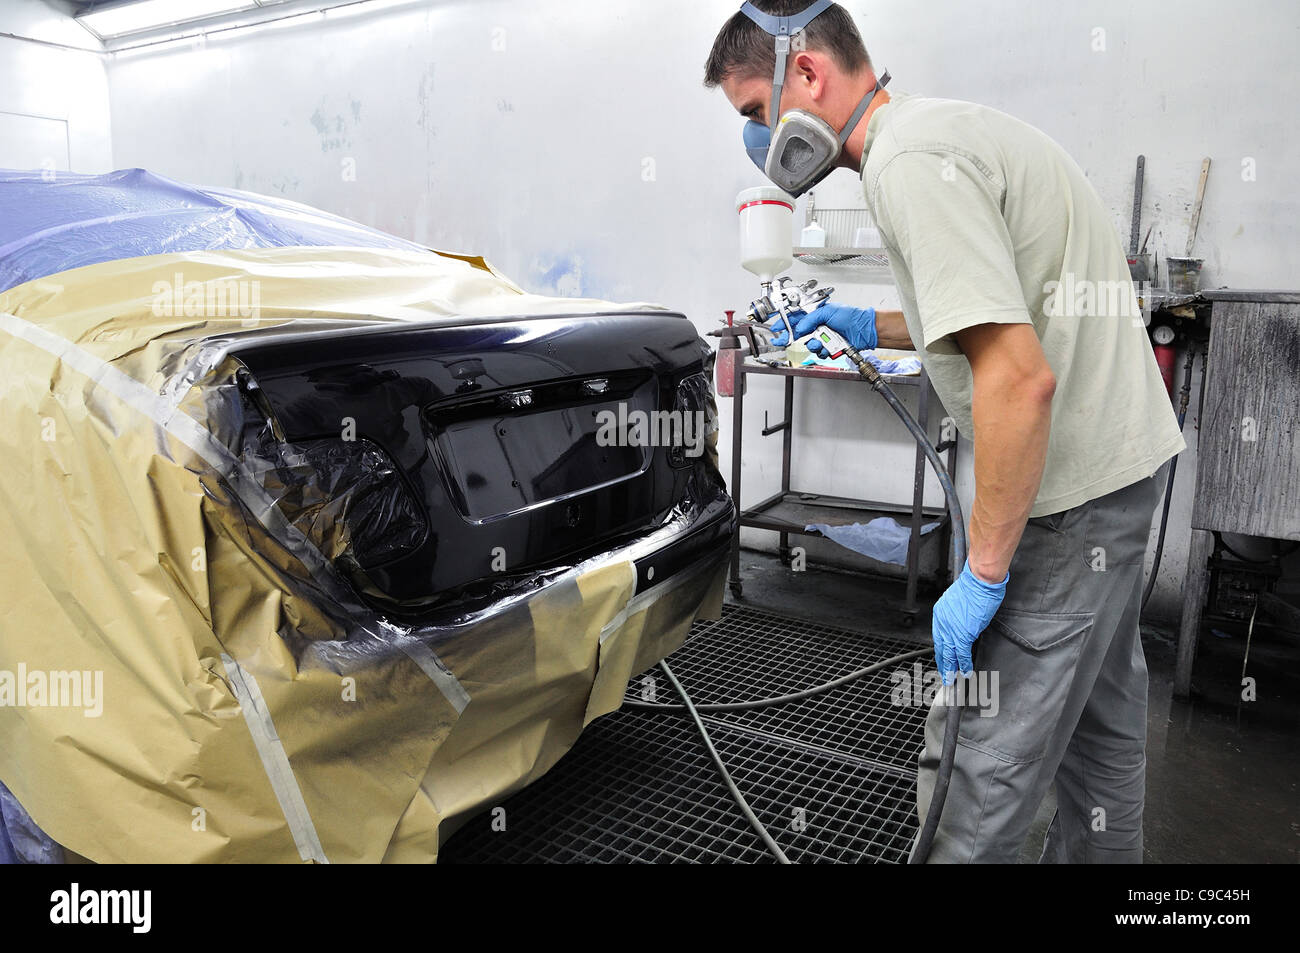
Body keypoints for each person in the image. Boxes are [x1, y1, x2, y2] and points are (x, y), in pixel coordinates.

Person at [704, 0, 1185, 863]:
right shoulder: (936, 134)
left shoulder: (909, 166)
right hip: (1120, 478)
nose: (755, 140)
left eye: (752, 113)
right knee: (1101, 746)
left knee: (977, 764)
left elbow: (1018, 377)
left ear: (806, 75)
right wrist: (862, 322)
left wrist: (985, 570)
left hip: (1069, 504)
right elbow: (983, 315)